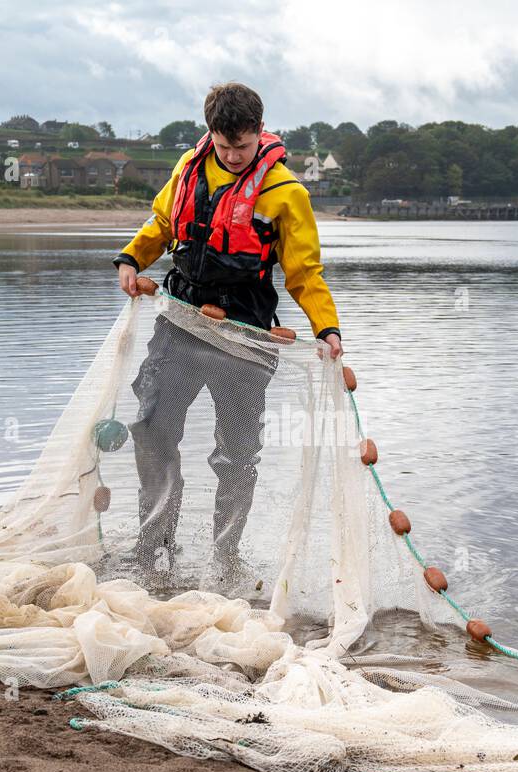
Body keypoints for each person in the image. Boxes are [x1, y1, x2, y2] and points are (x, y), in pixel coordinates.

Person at [112, 82, 343, 581]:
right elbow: (162, 223)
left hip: (245, 334)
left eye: (243, 146)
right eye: (224, 146)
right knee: (152, 430)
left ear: (260, 132)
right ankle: (152, 547)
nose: (234, 156)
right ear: (210, 134)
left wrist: (326, 328)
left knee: (236, 452)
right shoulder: (188, 167)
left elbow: (305, 272)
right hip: (181, 323)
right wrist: (132, 257)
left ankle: (225, 559)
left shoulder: (286, 193)